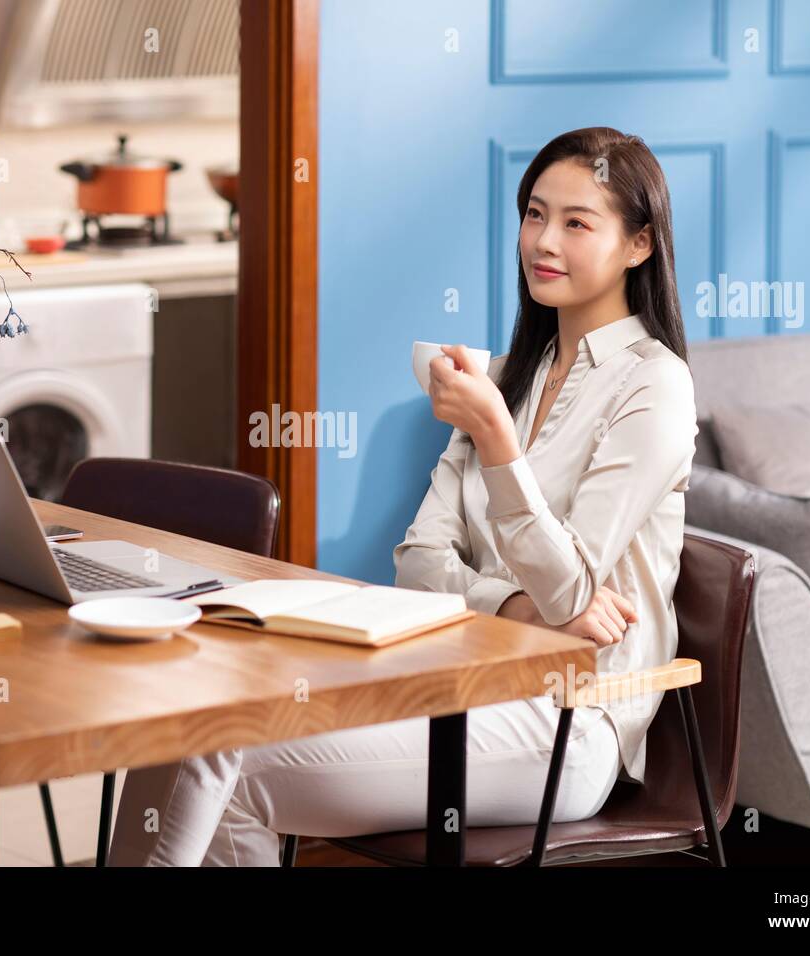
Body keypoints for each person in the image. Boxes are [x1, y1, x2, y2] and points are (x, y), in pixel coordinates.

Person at [107, 126, 698, 866]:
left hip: (570, 721)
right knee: (185, 726)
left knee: (217, 752)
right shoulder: (509, 372)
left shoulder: (655, 385)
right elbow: (418, 564)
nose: (544, 241)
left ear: (638, 245)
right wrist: (519, 605)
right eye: (535, 214)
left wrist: (495, 440)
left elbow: (574, 583)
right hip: (453, 688)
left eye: (577, 223)